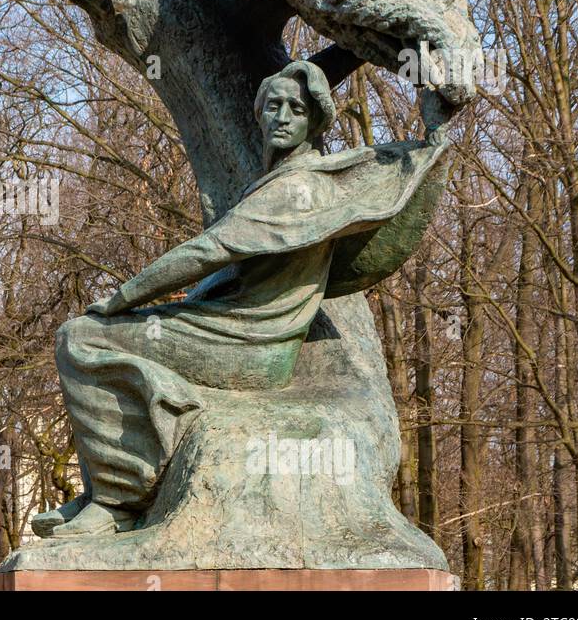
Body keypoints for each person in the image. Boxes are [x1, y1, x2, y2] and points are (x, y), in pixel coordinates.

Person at [33, 60, 450, 538]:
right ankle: (116, 475)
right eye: (273, 106)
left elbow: (206, 251)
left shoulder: (298, 189)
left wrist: (120, 299)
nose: (282, 117)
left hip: (250, 343)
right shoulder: (282, 182)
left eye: (297, 109)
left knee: (80, 336)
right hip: (237, 330)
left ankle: (116, 500)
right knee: (105, 334)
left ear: (314, 122)